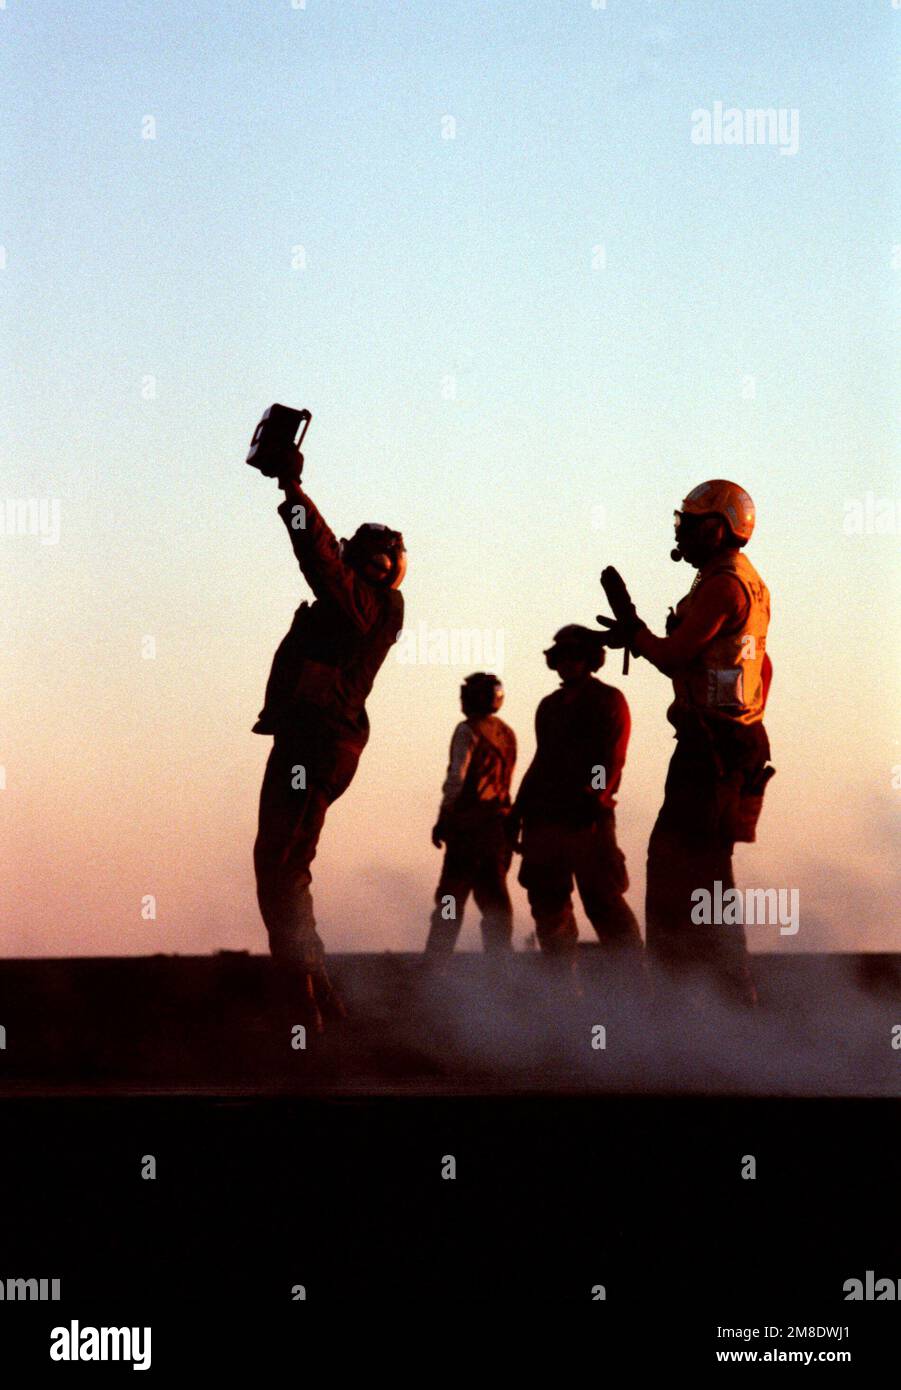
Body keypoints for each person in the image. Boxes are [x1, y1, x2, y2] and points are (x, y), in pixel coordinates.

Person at [597, 480, 775, 1008]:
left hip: (711, 749)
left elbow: (674, 656)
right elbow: (761, 666)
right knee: (703, 869)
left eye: (697, 521)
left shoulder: (722, 586)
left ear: (723, 526)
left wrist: (636, 635)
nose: (686, 530)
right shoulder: (742, 582)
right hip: (730, 742)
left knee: (683, 867)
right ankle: (716, 999)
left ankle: (696, 999)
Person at [252, 445, 406, 1032]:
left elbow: (316, 557)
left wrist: (293, 492)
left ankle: (305, 1004)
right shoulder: (365, 600)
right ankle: (316, 994)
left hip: (314, 745)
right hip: (314, 742)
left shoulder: (368, 604)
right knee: (286, 866)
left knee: (281, 865)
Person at [509, 625, 643, 992]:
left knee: (604, 903)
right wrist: (517, 813)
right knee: (549, 908)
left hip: (587, 820)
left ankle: (637, 992)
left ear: (590, 660)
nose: (568, 663)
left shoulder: (609, 701)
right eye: (562, 657)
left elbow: (610, 760)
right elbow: (540, 761)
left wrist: (593, 796)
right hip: (545, 820)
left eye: (575, 656)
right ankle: (563, 994)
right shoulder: (549, 707)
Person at [425, 673, 517, 961]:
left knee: (452, 897)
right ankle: (501, 967)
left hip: (468, 830)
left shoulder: (467, 730)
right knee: (495, 903)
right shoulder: (507, 734)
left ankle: (437, 961)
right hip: (497, 830)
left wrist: (444, 817)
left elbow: (457, 777)